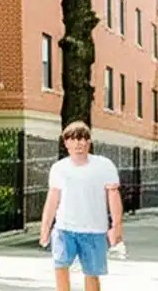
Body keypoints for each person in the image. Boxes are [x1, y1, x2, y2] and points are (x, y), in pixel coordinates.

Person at [39, 121, 123, 291]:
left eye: (84, 139)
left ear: (89, 142)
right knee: (60, 265)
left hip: (94, 230)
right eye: (75, 139)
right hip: (64, 229)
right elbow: (52, 199)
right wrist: (45, 228)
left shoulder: (104, 166)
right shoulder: (59, 168)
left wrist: (117, 227)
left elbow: (113, 197)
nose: (80, 143)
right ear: (66, 143)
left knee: (92, 273)